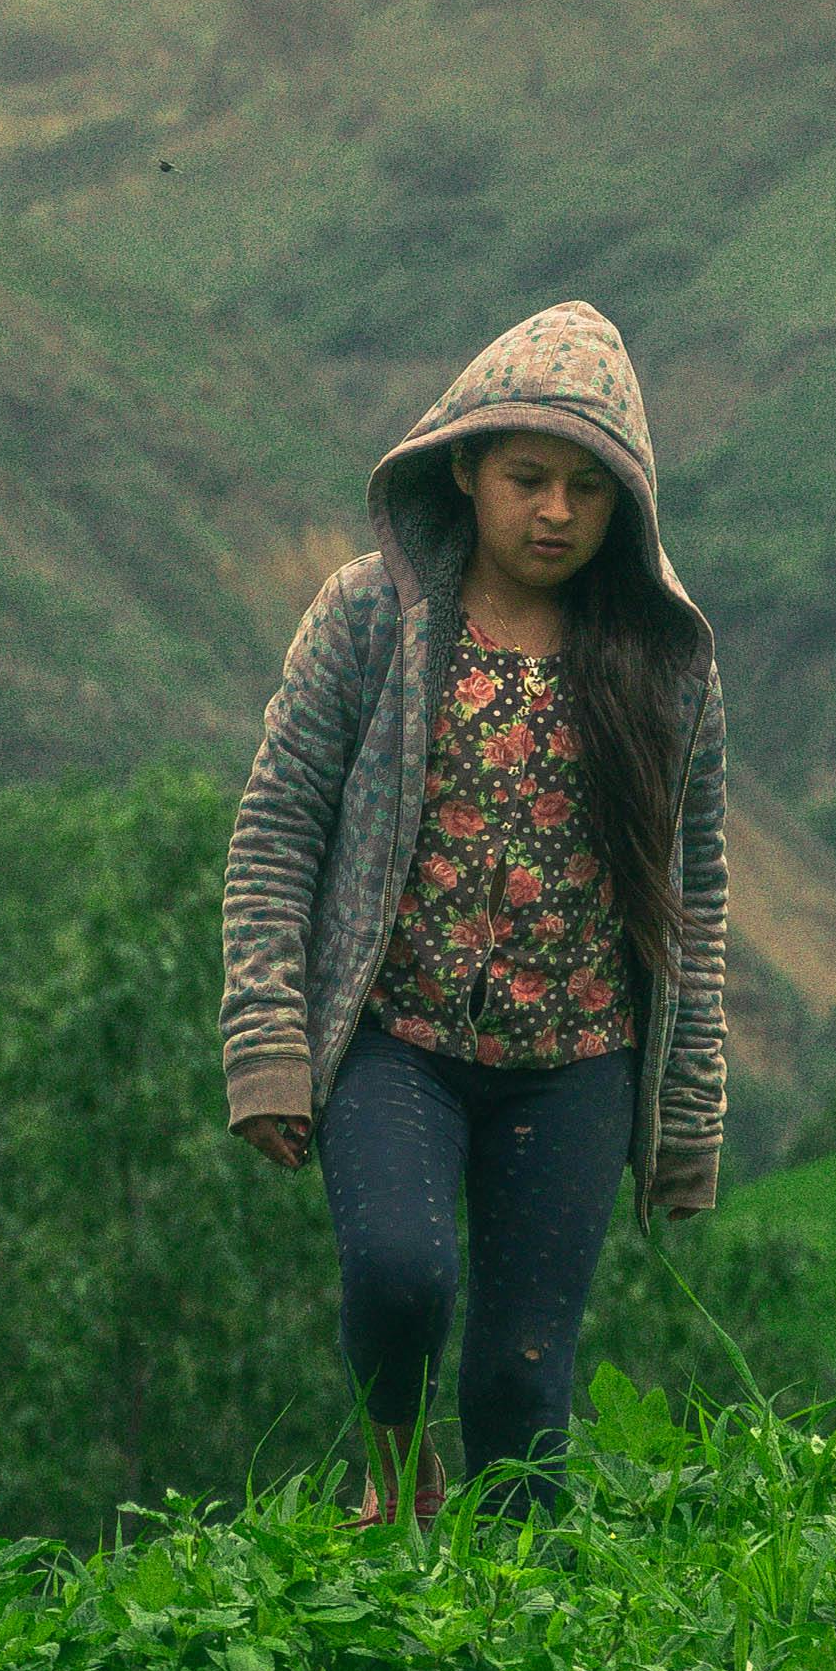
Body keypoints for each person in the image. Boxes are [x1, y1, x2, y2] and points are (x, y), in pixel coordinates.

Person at [219, 301, 728, 1525]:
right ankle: (394, 1465)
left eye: (586, 490)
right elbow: (278, 825)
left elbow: (695, 894)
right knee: (400, 1276)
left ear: (625, 508)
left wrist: (689, 1110)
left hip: (576, 1060)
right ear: (464, 466)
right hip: (399, 1039)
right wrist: (267, 1043)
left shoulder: (663, 662)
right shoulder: (367, 620)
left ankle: (513, 1653)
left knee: (520, 1384)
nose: (554, 512)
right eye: (527, 478)